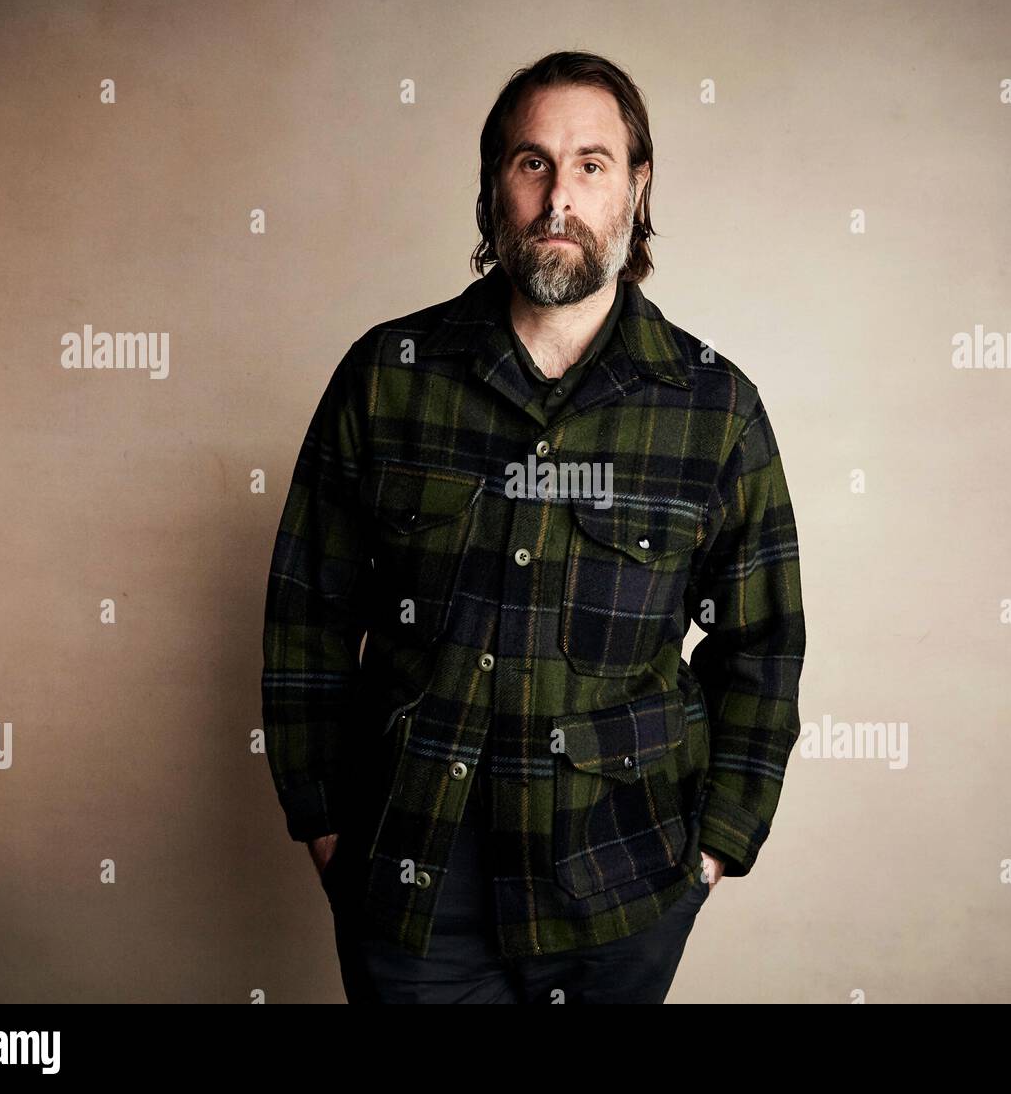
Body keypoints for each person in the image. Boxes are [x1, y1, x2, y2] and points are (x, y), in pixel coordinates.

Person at [261, 50, 806, 1003]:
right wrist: (323, 824)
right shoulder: (388, 377)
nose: (560, 196)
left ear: (637, 186)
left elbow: (762, 647)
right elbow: (307, 614)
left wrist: (716, 847)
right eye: (532, 163)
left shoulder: (715, 409)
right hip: (412, 884)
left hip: (626, 887)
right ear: (493, 187)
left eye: (592, 164)